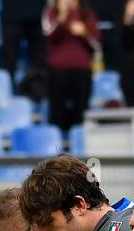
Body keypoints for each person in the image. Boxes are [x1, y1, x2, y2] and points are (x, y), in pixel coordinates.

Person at [44, 0, 101, 133]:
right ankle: (56, 147)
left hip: (81, 70)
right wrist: (62, 16)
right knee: (57, 111)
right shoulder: (52, 12)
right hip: (57, 70)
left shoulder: (88, 14)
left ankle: (80, 145)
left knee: (81, 110)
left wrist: (84, 32)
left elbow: (97, 45)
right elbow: (48, 34)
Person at [1, 0, 48, 97]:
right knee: (8, 60)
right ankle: (6, 96)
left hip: (38, 14)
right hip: (11, 13)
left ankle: (38, 95)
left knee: (40, 62)